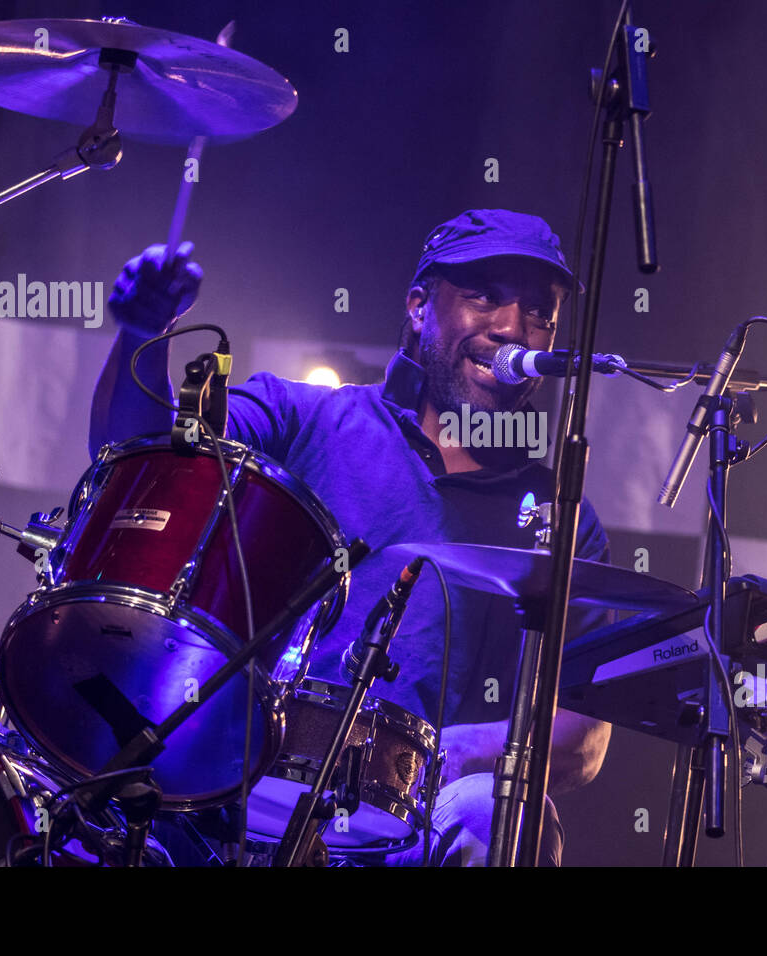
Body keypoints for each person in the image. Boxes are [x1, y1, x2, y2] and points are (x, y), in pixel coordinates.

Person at [89, 209, 612, 866]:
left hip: (408, 823)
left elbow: (582, 736)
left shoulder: (561, 517)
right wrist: (144, 330)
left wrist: (435, 755)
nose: (511, 327)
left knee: (496, 807)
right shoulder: (301, 416)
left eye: (539, 313)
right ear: (419, 307)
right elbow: (140, 467)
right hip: (224, 786)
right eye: (484, 295)